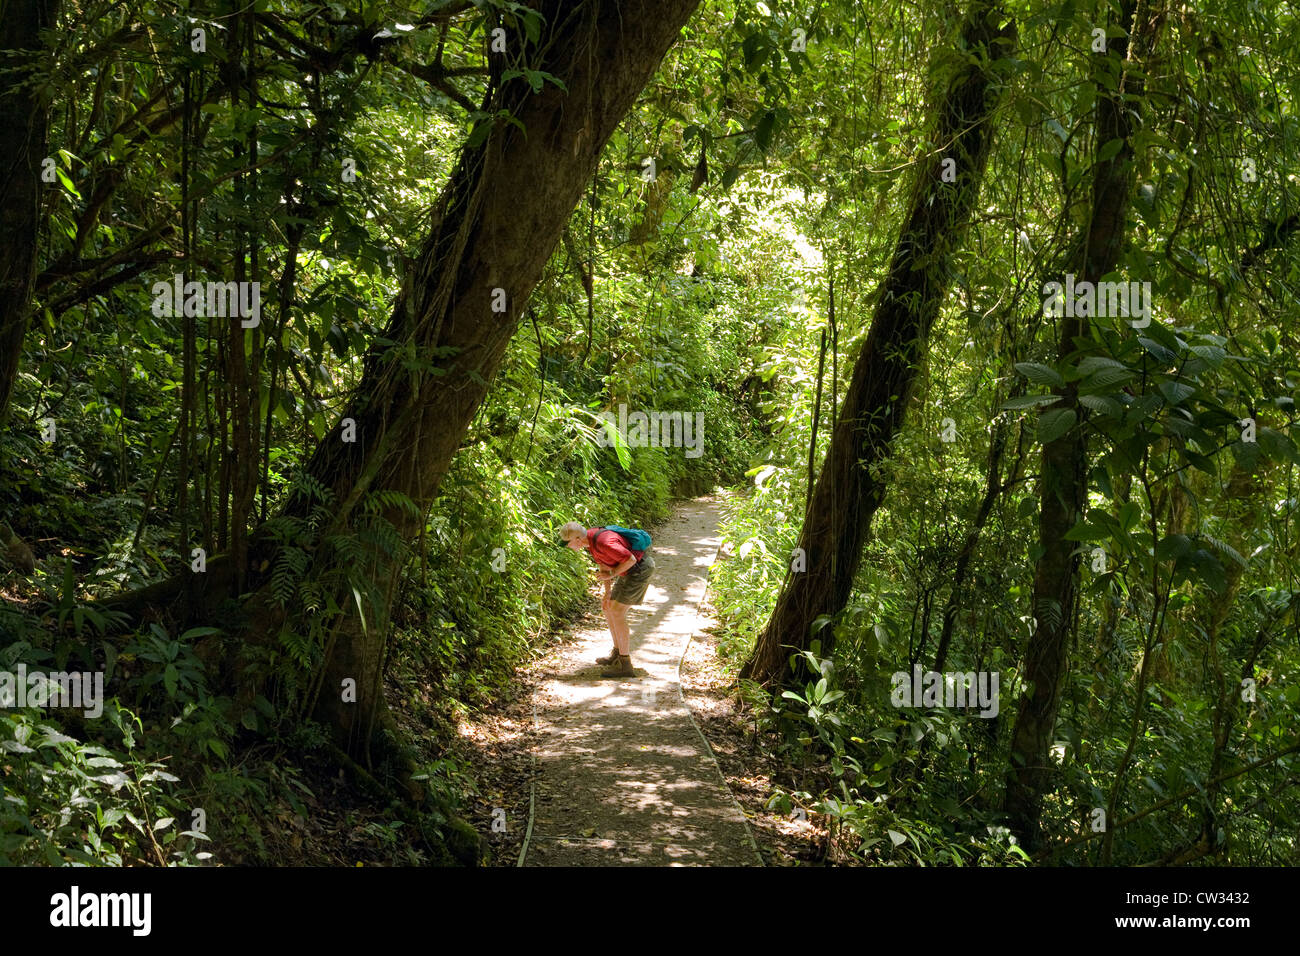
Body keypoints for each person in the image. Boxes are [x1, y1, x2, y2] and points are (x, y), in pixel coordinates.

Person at [558, 521, 655, 677]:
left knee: (617, 613)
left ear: (577, 539)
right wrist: (607, 593)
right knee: (609, 607)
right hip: (627, 571)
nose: (567, 547)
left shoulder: (604, 542)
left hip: (640, 570)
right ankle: (617, 653)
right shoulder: (590, 542)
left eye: (567, 543)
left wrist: (612, 574)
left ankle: (625, 665)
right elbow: (603, 565)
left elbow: (631, 560)